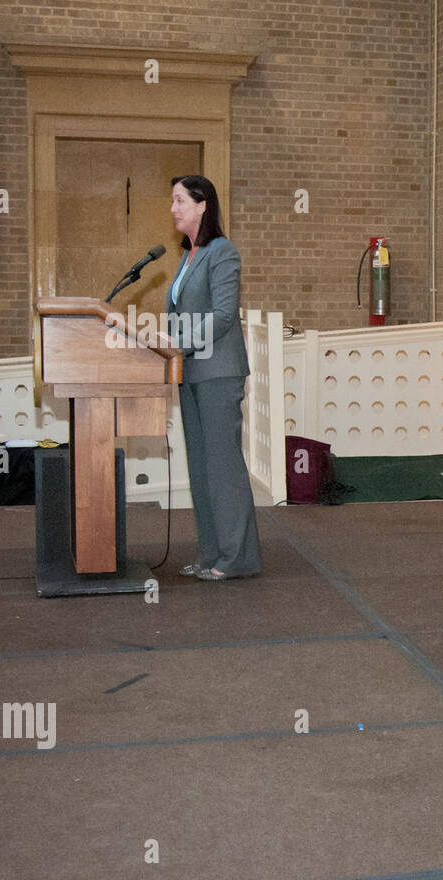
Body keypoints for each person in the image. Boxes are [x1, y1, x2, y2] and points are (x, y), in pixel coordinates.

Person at [168, 174, 261, 581]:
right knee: (201, 467)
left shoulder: (222, 252)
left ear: (202, 205)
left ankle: (236, 559)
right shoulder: (186, 257)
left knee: (222, 467)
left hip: (219, 373)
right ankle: (211, 554)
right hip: (189, 373)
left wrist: (178, 341)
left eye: (179, 201)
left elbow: (223, 316)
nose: (172, 209)